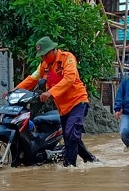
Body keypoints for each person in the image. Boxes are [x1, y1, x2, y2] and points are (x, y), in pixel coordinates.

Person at [15, 36, 96, 166]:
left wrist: (50, 92)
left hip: (77, 102)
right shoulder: (44, 65)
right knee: (70, 136)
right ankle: (91, 160)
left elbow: (69, 79)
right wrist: (15, 90)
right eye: (41, 56)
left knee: (70, 134)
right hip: (63, 107)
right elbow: (32, 79)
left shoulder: (67, 58)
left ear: (53, 50)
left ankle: (69, 166)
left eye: (45, 55)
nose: (43, 58)